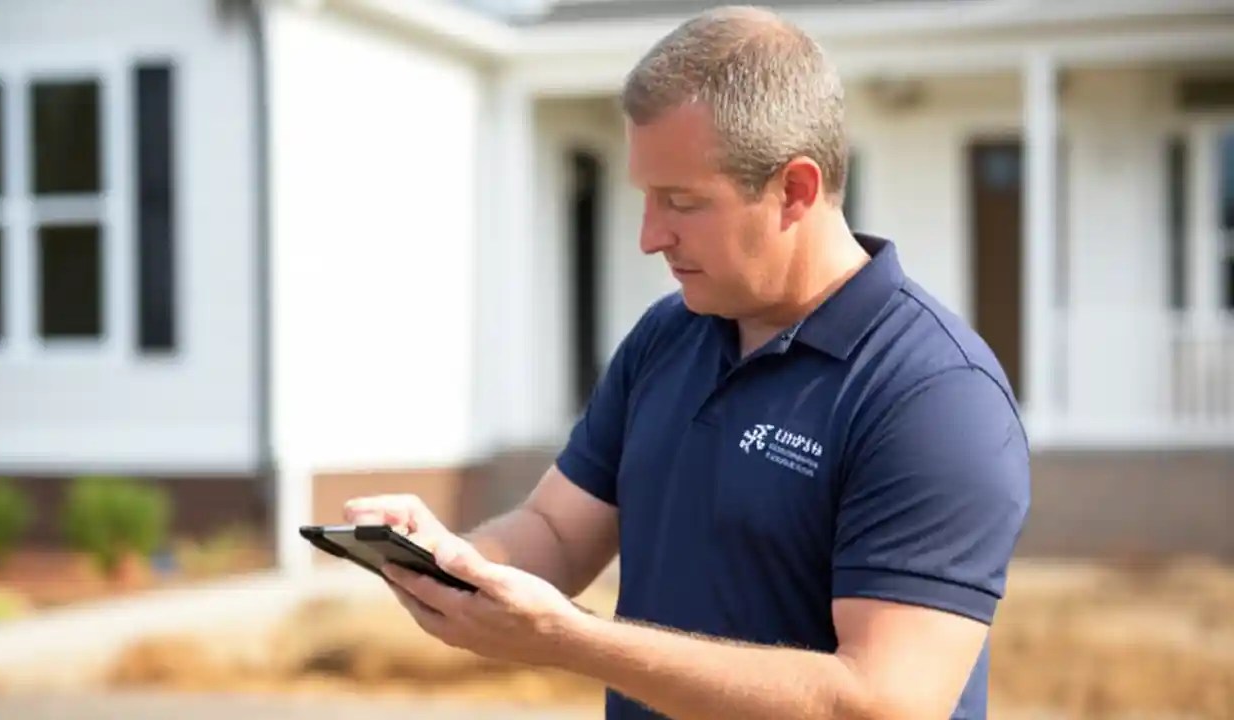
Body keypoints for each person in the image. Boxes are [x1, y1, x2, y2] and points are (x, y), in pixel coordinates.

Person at [344, 6, 1030, 719]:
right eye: (646, 198)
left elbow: (879, 703)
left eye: (682, 202)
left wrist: (573, 640)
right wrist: (451, 564)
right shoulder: (668, 337)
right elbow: (554, 531)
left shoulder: (935, 396)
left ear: (794, 190)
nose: (649, 236)